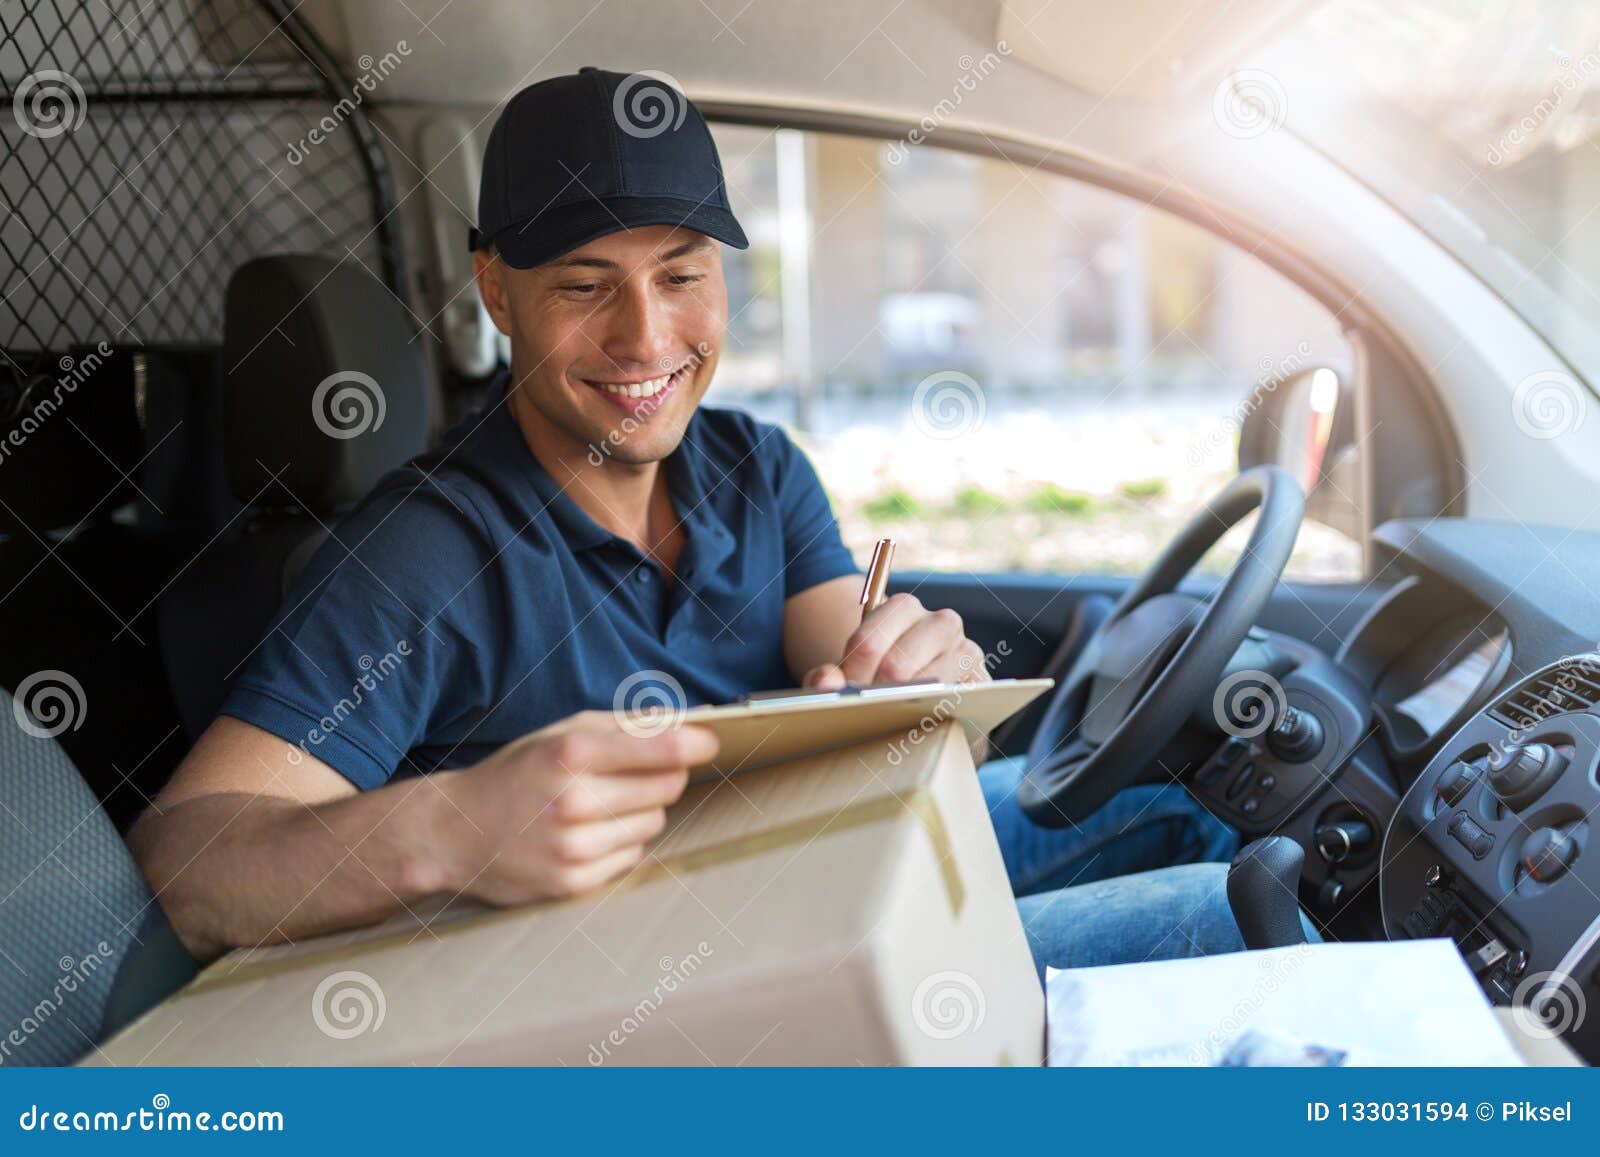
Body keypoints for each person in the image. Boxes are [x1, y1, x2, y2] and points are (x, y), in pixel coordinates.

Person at [129, 68, 1244, 975]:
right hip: (673, 995)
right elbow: (187, 863)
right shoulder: (422, 555)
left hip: (815, 875)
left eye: (681, 273)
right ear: (495, 289)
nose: (645, 336)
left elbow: (861, 686)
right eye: (582, 285)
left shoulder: (755, 467)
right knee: (1227, 911)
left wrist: (926, 683)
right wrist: (455, 827)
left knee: (1195, 803)